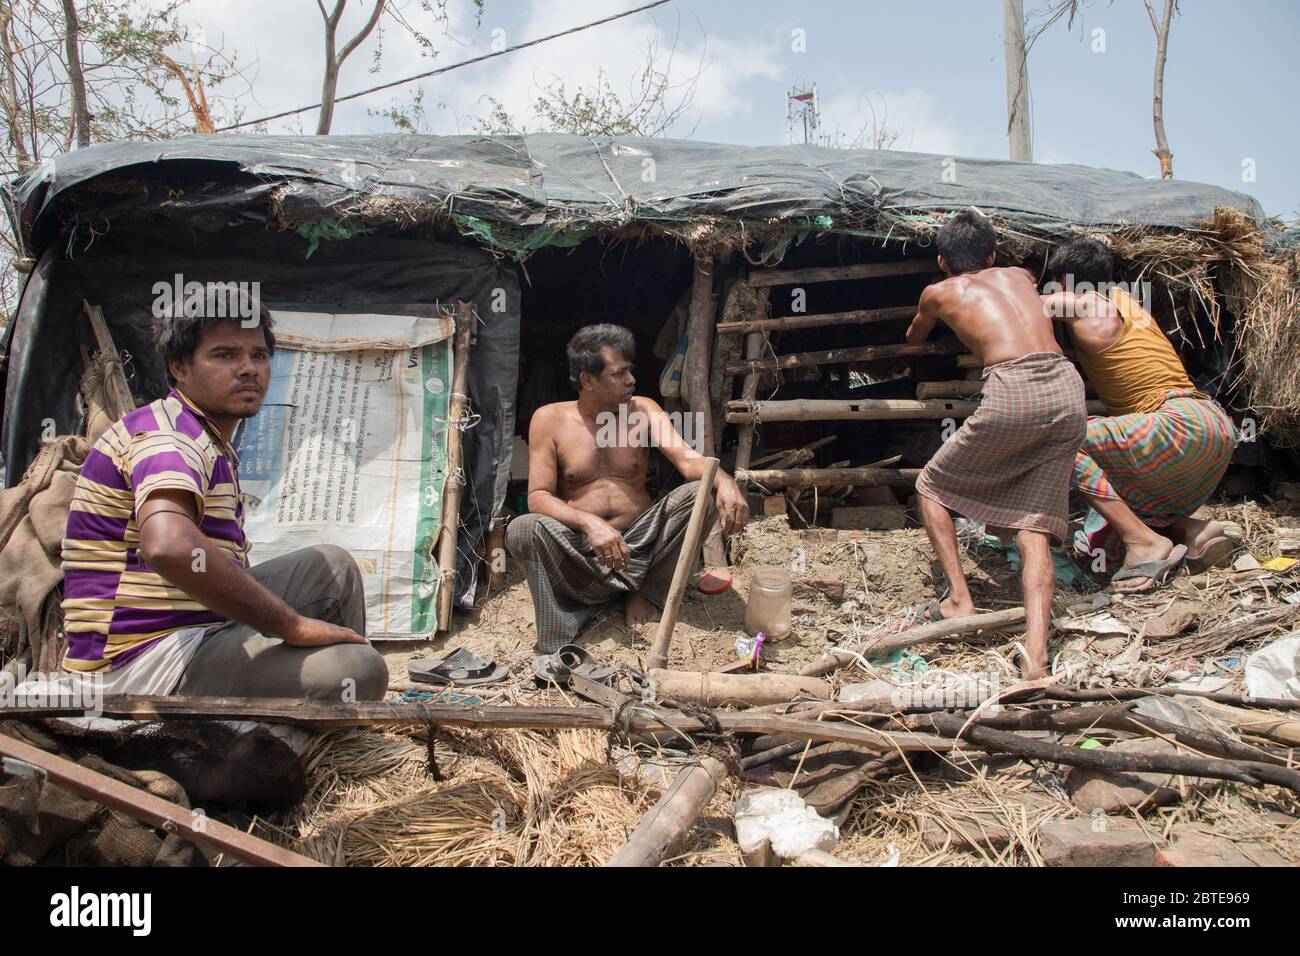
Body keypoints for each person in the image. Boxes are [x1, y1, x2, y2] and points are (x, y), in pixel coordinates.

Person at [61, 303, 389, 700]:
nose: (248, 368)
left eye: (259, 355)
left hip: (197, 631)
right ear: (179, 367)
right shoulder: (170, 438)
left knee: (331, 568)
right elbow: (169, 546)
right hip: (139, 663)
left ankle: (319, 715)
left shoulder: (203, 434)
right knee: (357, 672)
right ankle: (273, 736)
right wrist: (292, 626)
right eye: (225, 355)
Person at [904, 209, 1088, 678]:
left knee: (931, 486)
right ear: (992, 253)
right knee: (1034, 527)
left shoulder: (938, 291)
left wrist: (933, 318)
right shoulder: (1020, 275)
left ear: (943, 261)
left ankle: (961, 601)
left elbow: (913, 338)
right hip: (1068, 389)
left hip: (1015, 387)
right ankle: (1036, 656)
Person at [506, 323, 750, 653]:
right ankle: (562, 623)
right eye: (620, 373)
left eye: (630, 371)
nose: (631, 380)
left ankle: (645, 590)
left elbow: (688, 461)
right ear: (588, 380)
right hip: (582, 549)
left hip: (642, 544)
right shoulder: (549, 419)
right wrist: (589, 524)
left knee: (700, 494)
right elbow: (537, 497)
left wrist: (724, 480)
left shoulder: (644, 409)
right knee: (523, 528)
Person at [1043, 237, 1238, 590]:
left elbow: (1027, 306)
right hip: (1212, 426)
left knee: (1060, 439)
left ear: (1066, 281)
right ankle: (1194, 531)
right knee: (1120, 485)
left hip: (1175, 425)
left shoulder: (1082, 302)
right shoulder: (1125, 301)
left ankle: (1143, 542)